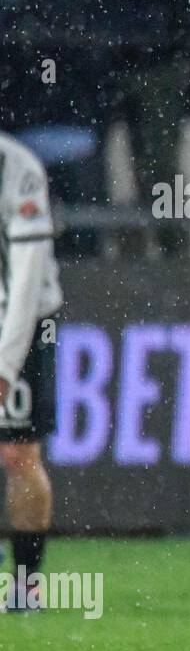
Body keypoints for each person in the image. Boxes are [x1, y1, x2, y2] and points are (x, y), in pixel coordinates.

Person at [0, 132, 62, 612]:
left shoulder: (16, 166)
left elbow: (26, 277)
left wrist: (4, 366)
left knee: (18, 452)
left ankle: (25, 584)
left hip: (19, 324)